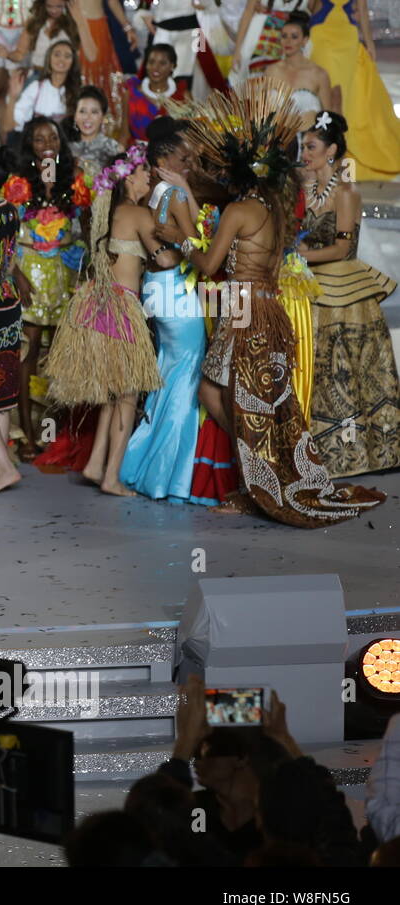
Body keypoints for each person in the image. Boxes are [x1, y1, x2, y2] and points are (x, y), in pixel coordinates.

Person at [156, 80, 385, 526]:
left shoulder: (241, 210)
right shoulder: (272, 205)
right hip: (263, 306)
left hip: (244, 308)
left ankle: (258, 486)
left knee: (240, 401)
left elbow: (208, 265)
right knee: (238, 398)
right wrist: (187, 184)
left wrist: (179, 239)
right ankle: (261, 475)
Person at [43, 146, 163, 497]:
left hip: (98, 304)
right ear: (128, 178)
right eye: (143, 172)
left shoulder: (109, 211)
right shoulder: (137, 214)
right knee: (127, 393)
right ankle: (112, 477)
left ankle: (97, 464)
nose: (149, 176)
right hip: (122, 308)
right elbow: (167, 257)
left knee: (112, 391)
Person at [298, 111, 400, 478]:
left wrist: (301, 255)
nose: (305, 153)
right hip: (310, 286)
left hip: (342, 290)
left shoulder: (346, 191)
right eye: (303, 146)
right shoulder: (306, 189)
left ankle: (352, 454)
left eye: (311, 147)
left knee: (343, 373)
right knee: (319, 372)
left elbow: (344, 249)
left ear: (332, 150)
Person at [119, 122, 209, 502]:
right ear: (161, 161)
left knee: (168, 372)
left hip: (156, 290)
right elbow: (197, 243)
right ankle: (170, 475)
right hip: (177, 288)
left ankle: (143, 464)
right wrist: (191, 199)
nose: (189, 163)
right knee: (185, 379)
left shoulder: (151, 196)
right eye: (183, 157)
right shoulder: (173, 192)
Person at [6, 116, 92, 460]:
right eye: (39, 140)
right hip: (29, 275)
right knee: (27, 357)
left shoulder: (76, 180)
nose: (47, 146)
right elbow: (6, 235)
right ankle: (27, 435)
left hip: (66, 275)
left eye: (52, 139)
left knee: (58, 361)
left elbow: (87, 226)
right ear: (30, 146)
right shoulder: (17, 183)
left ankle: (53, 436)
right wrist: (16, 275)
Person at [307, 0, 400, 180]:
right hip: (323, 35)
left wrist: (369, 42)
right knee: (323, 95)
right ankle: (322, 155)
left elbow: (362, 10)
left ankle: (339, 155)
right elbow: (311, 5)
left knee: (344, 97)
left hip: (344, 37)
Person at [263, 13, 333, 129]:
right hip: (275, 142)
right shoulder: (271, 71)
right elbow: (262, 112)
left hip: (307, 142)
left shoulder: (319, 74)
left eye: (294, 37)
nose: (288, 41)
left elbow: (328, 117)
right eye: (284, 36)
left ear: (305, 40)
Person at [123, 43, 188, 142]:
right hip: (139, 154)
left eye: (162, 63)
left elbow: (190, 135)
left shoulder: (183, 96)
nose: (155, 68)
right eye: (151, 62)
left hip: (173, 154)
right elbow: (124, 134)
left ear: (173, 66)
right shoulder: (131, 94)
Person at [66, 85, 120, 177]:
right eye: (82, 111)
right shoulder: (66, 149)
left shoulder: (114, 148)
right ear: (75, 116)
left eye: (94, 112)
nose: (88, 117)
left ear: (103, 116)